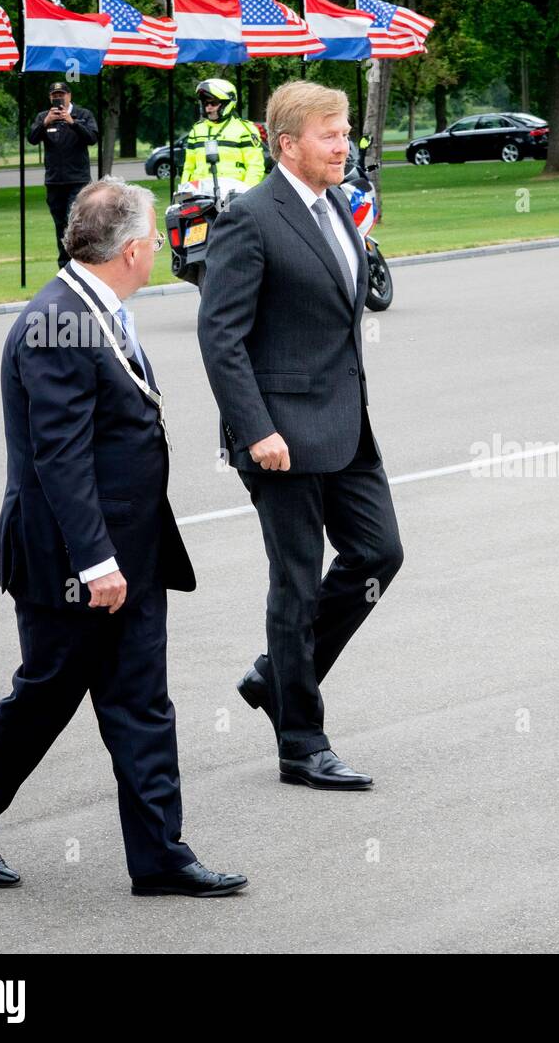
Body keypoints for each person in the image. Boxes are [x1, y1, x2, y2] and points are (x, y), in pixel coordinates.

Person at [0, 178, 247, 897]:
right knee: (45, 694)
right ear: (136, 250)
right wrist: (97, 559)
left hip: (130, 548)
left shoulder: (96, 307)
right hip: (70, 559)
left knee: (140, 698)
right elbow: (59, 455)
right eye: (158, 240)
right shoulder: (57, 322)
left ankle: (160, 857)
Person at [197, 81, 403, 790]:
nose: (345, 144)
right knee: (294, 584)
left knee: (379, 555)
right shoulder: (249, 220)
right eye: (330, 134)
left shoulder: (340, 206)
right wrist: (256, 431)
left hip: (345, 428)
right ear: (288, 144)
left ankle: (275, 674)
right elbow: (221, 337)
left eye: (346, 132)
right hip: (279, 437)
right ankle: (300, 743)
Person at [27, 81, 98, 267]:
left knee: (73, 220)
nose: (58, 98)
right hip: (54, 181)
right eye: (54, 95)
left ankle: (80, 261)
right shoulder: (44, 117)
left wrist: (72, 123)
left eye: (62, 94)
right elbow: (32, 139)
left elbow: (92, 138)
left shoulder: (82, 115)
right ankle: (65, 265)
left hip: (78, 180)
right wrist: (45, 123)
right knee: (60, 224)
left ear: (69, 95)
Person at [179, 77, 266, 190]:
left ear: (227, 103)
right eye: (205, 103)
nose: (208, 107)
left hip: (234, 194)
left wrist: (246, 194)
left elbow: (255, 166)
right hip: (201, 195)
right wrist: (183, 191)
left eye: (213, 103)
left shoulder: (245, 129)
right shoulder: (196, 131)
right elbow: (188, 167)